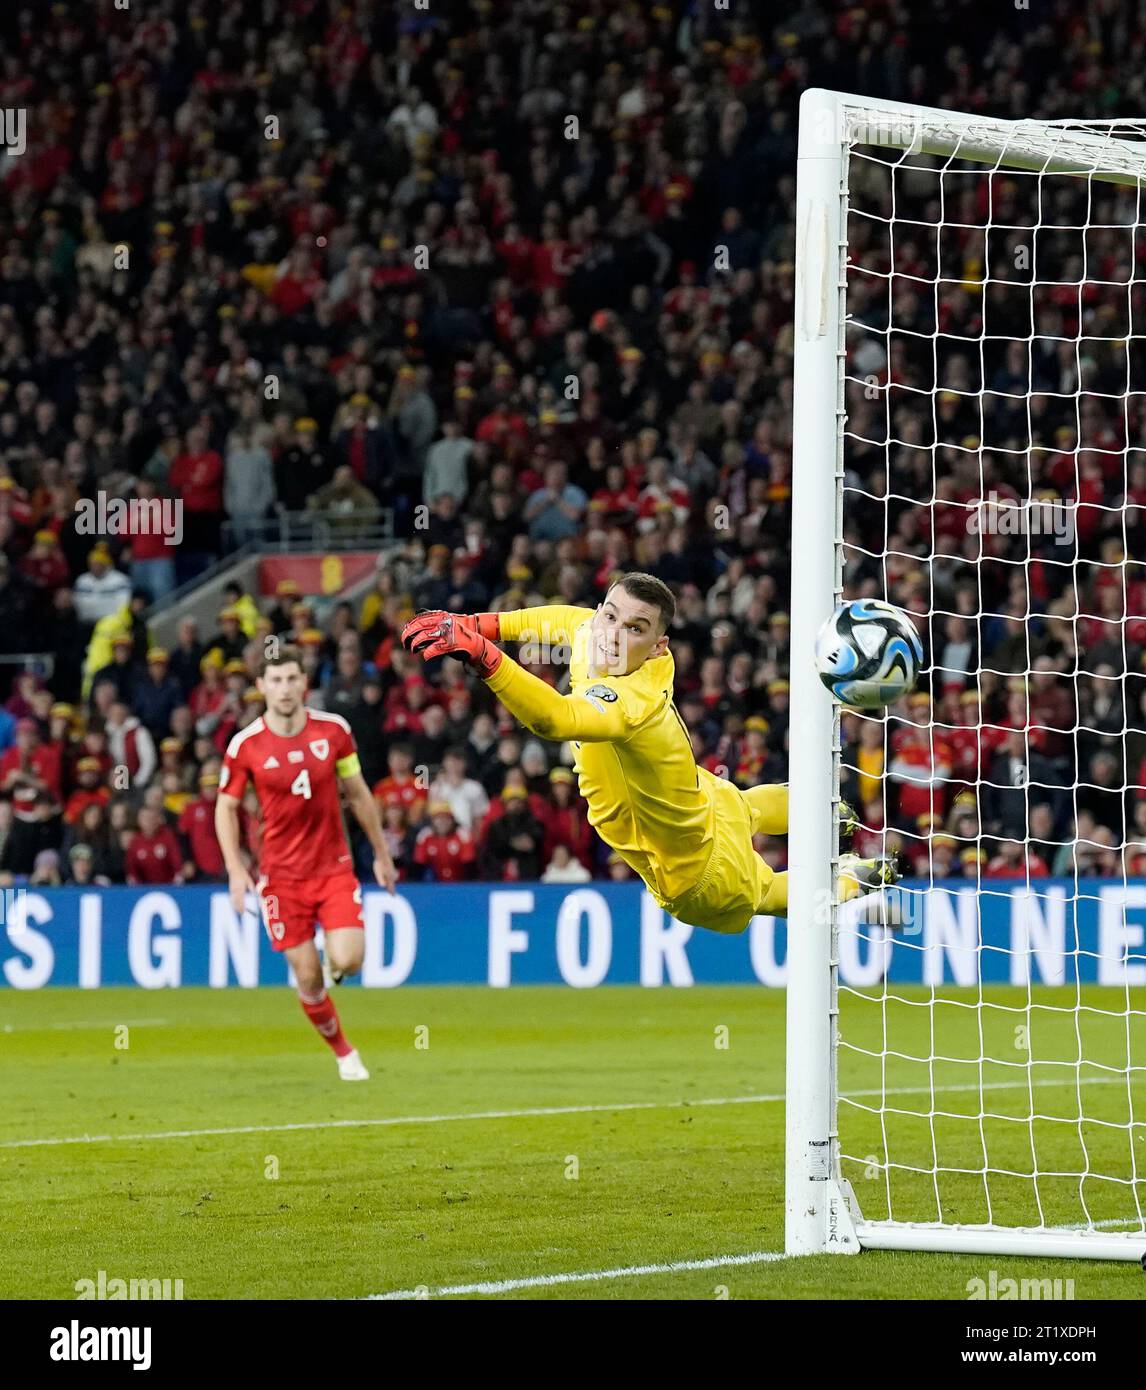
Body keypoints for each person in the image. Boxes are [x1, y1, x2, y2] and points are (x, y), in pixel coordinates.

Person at [402, 572, 893, 935]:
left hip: (696, 870)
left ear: (658, 647)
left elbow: (553, 719)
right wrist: (475, 623)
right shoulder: (595, 633)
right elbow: (557, 621)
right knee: (741, 806)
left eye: (634, 629)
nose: (613, 633)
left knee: (768, 892)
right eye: (610, 615)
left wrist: (485, 655)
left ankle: (852, 883)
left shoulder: (631, 702)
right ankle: (835, 818)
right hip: (698, 797)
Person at [215, 645, 396, 1082]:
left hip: (333, 867)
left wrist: (383, 855)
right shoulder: (245, 745)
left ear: (304, 683)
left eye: (292, 678)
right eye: (275, 680)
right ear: (260, 687)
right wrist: (236, 870)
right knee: (308, 977)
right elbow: (225, 807)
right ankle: (344, 1052)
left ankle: (337, 967)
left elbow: (357, 793)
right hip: (279, 878)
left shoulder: (334, 733)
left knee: (351, 960)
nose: (284, 688)